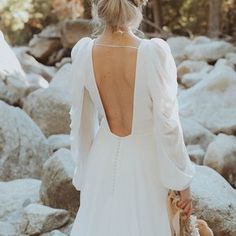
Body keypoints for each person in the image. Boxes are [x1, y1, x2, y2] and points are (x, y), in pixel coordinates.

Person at [68, 0, 196, 235]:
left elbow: (81, 120)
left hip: (102, 156)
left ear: (97, 8)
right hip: (145, 160)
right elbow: (168, 124)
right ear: (138, 7)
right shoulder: (153, 52)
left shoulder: (83, 52)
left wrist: (84, 171)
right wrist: (182, 183)